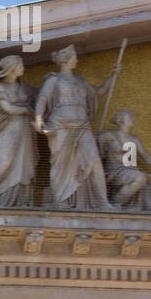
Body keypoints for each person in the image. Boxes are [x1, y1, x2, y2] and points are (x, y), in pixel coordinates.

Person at [34, 45, 116, 210]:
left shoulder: (80, 81)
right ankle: (61, 200)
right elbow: (42, 99)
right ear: (65, 60)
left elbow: (98, 92)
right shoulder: (53, 80)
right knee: (60, 165)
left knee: (94, 160)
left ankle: (103, 201)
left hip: (82, 126)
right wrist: (38, 119)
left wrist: (113, 76)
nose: (76, 60)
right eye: (74, 57)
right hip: (60, 127)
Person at [0, 55, 37, 207]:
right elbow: (9, 109)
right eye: (20, 65)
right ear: (11, 68)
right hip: (8, 130)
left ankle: (21, 200)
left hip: (25, 130)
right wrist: (27, 110)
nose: (23, 67)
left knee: (25, 163)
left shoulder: (23, 86)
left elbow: (39, 96)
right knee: (4, 161)